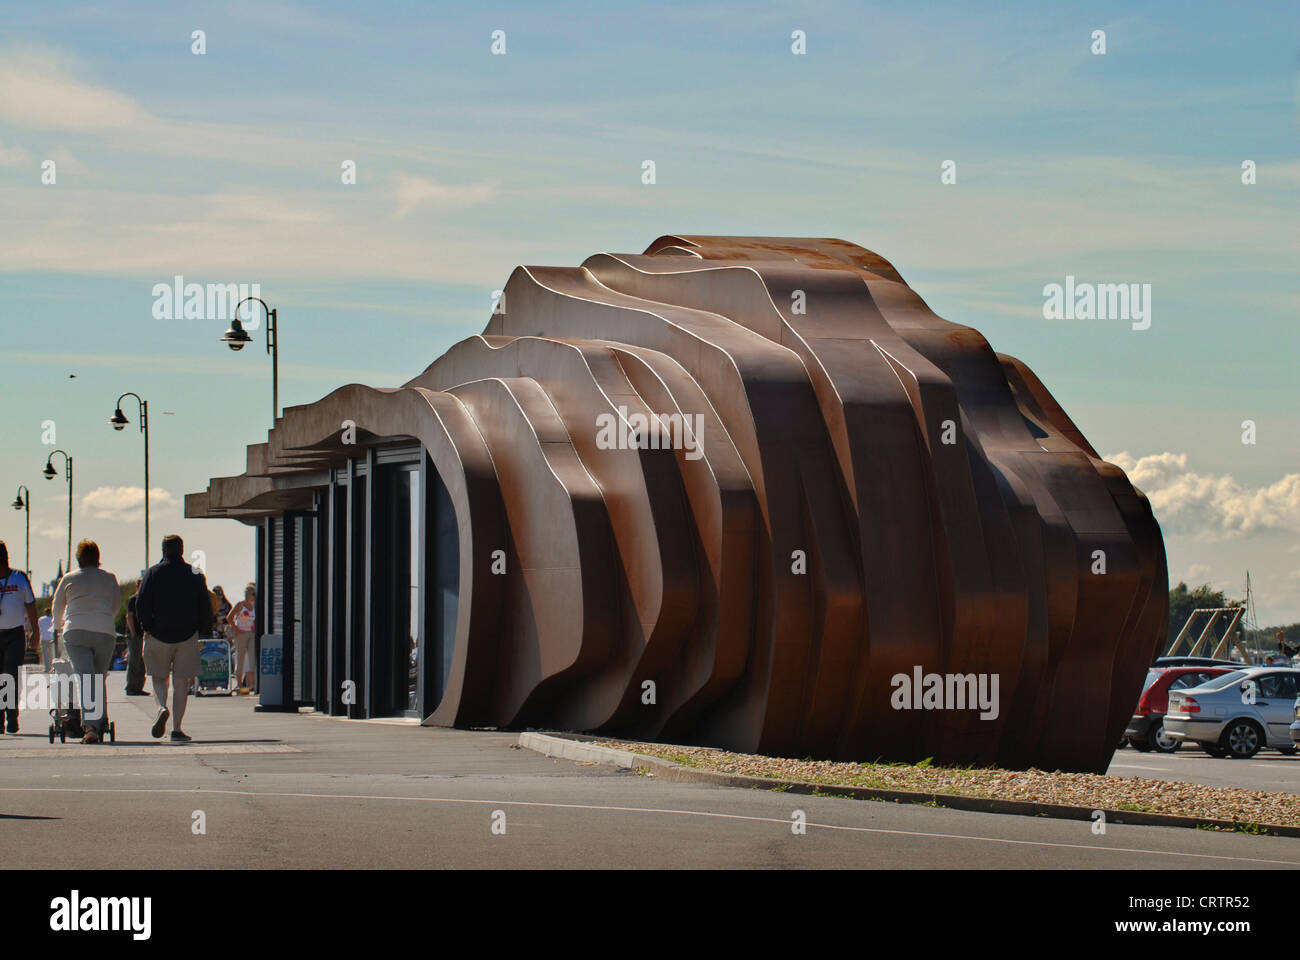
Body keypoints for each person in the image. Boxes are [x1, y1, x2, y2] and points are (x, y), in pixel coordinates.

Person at [136, 535, 210, 741]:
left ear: (164, 551)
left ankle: (161, 707)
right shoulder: (195, 573)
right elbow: (205, 604)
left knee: (159, 678)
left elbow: (141, 603)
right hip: (186, 635)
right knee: (181, 683)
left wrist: (146, 627)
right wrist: (202, 628)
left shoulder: (153, 573)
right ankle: (177, 729)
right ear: (182, 550)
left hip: (158, 634)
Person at [51, 540, 121, 744]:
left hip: (76, 631)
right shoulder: (109, 578)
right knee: (98, 677)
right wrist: (104, 620)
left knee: (85, 677)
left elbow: (57, 607)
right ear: (97, 558)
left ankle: (90, 727)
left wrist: (57, 625)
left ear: (78, 559)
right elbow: (115, 607)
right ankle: (99, 721)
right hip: (104, 631)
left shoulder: (69, 578)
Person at [0, 541, 39, 733]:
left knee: (9, 674)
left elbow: (30, 606)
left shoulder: (19, 578)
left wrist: (35, 632)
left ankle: (12, 716)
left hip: (15, 633)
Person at [226, 583, 257, 694]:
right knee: (240, 658)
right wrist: (236, 629)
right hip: (241, 634)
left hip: (251, 633)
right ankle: (239, 684)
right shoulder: (240, 605)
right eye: (253, 594)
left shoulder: (254, 606)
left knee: (252, 658)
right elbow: (229, 617)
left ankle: (252, 684)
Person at [124, 587, 147, 695]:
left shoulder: (145, 599)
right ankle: (131, 687)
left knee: (141, 663)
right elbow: (129, 616)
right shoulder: (133, 599)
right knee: (134, 661)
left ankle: (139, 687)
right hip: (135, 635)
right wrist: (133, 633)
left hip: (143, 634)